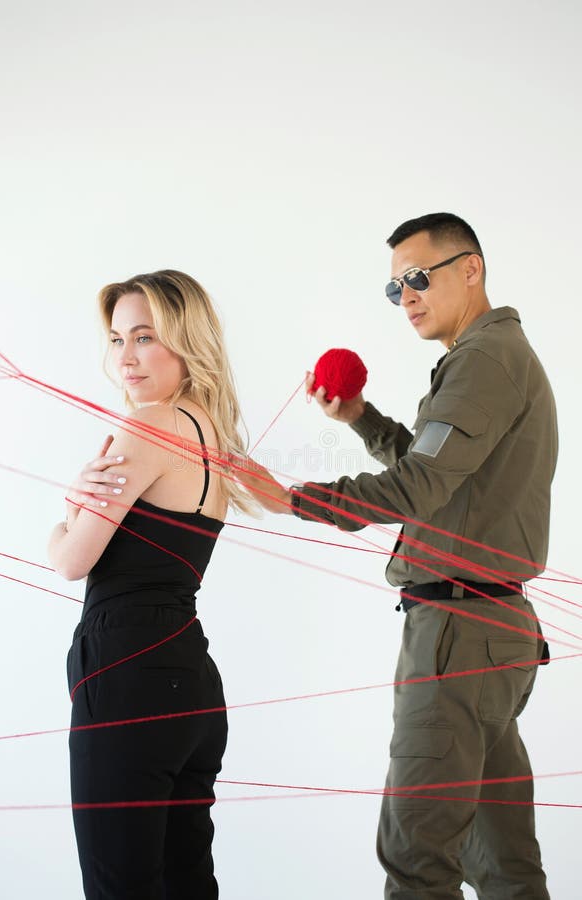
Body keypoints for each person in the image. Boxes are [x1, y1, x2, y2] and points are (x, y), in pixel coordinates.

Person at [236, 213, 556, 899]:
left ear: (470, 268)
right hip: (489, 635)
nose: (406, 297)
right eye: (393, 289)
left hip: (458, 639)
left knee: (417, 857)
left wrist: (293, 499)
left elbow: (417, 485)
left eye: (417, 278)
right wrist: (360, 418)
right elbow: (436, 471)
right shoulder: (492, 358)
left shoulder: (486, 359)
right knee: (503, 866)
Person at [48, 270, 252, 899]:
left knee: (122, 888)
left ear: (186, 340)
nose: (126, 358)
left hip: (131, 676)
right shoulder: (216, 436)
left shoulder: (148, 426)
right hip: (189, 677)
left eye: (145, 337)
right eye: (117, 340)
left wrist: (65, 516)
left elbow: (71, 561)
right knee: (187, 881)